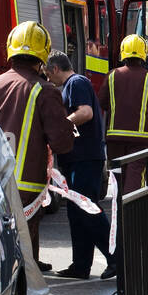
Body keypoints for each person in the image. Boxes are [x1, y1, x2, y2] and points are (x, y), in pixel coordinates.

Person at [0, 21, 74, 272]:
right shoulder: (45, 91)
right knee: (24, 244)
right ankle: (26, 292)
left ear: (10, 51)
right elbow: (61, 142)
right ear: (43, 56)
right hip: (26, 187)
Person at [44, 51, 118, 281]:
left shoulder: (76, 83)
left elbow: (85, 112)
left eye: (48, 74)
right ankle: (81, 265)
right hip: (77, 158)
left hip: (85, 158)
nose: (48, 80)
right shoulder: (71, 86)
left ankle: (117, 258)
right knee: (77, 213)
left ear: (55, 69)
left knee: (87, 210)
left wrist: (60, 125)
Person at [98, 34, 148, 192]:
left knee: (118, 177)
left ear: (123, 53)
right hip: (141, 138)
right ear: (144, 53)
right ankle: (132, 214)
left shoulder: (112, 76)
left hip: (115, 137)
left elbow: (102, 102)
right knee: (135, 177)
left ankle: (119, 213)